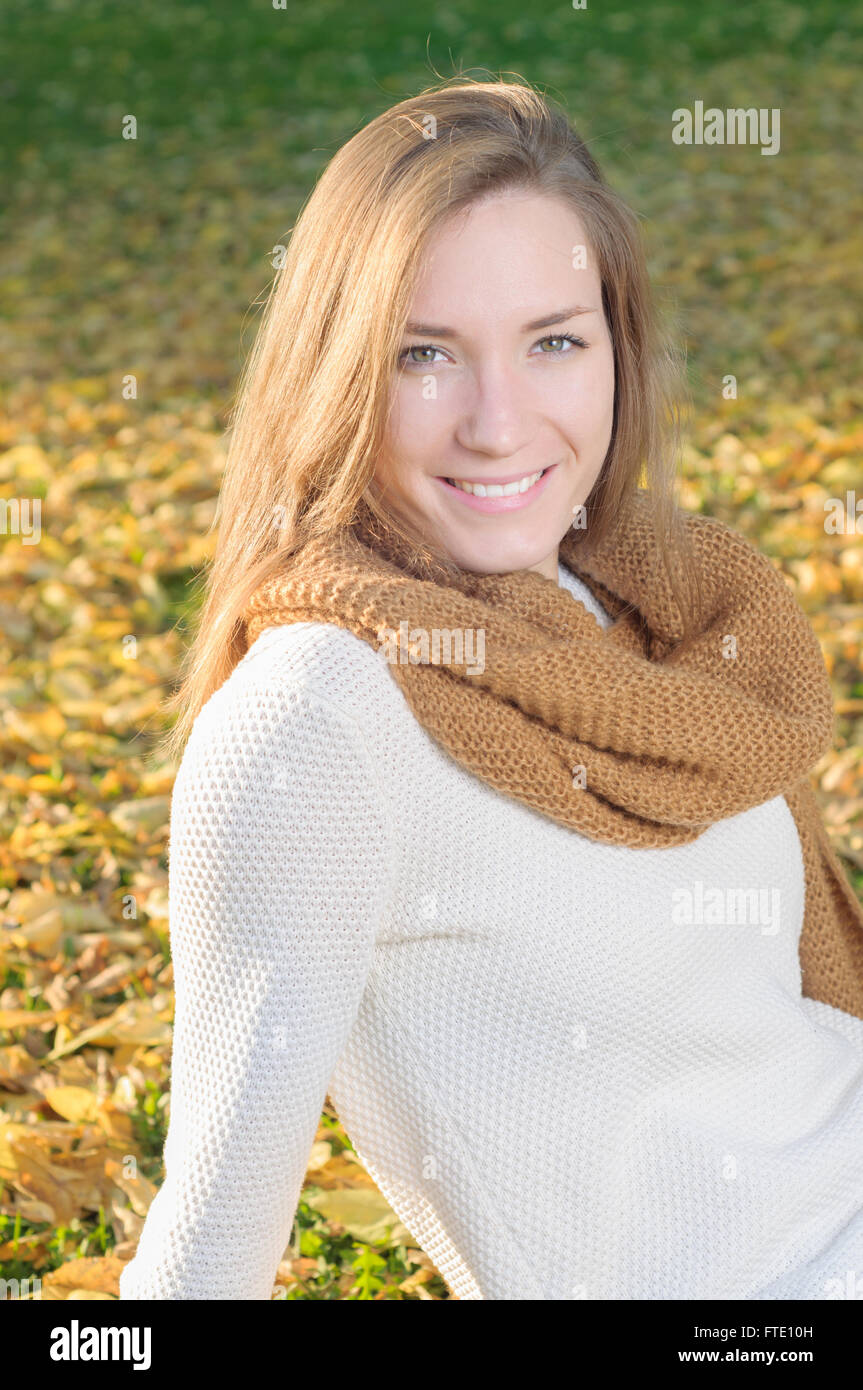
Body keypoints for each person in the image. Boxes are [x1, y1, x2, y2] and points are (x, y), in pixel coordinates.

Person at [119, 76, 863, 1302]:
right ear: (338, 375)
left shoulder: (651, 606)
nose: (498, 424)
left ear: (616, 346)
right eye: (425, 355)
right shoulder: (314, 722)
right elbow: (201, 1268)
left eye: (553, 341)